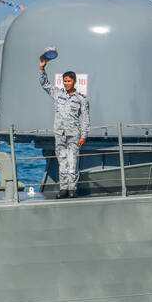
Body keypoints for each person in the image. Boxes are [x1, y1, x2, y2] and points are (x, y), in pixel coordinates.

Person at [39, 56, 90, 197]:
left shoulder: (80, 99)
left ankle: (72, 189)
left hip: (73, 135)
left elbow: (85, 119)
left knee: (73, 163)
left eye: (69, 81)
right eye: (65, 81)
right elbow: (45, 84)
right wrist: (42, 68)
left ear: (74, 81)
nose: (66, 83)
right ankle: (63, 189)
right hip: (60, 135)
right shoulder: (58, 94)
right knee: (62, 163)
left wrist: (84, 136)